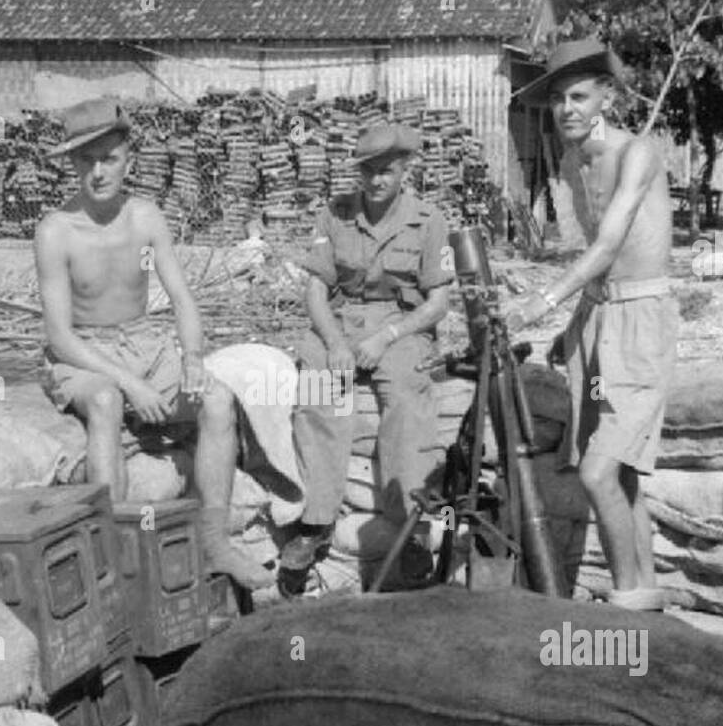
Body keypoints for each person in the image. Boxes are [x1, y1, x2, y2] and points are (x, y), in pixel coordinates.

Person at [35, 97, 271, 591]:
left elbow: (183, 297)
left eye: (109, 158)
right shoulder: (56, 231)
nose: (98, 172)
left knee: (219, 400)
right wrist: (131, 386)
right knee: (106, 400)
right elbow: (59, 334)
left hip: (147, 342)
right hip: (85, 351)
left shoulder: (145, 217)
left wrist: (190, 357)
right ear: (72, 165)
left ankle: (215, 543)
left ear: (129, 160)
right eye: (85, 160)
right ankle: (112, 556)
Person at [509, 39, 679, 611]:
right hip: (596, 319)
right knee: (618, 472)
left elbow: (610, 242)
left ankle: (627, 601)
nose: (568, 109)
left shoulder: (639, 152)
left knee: (599, 472)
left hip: (641, 318)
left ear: (607, 94)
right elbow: (594, 255)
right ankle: (648, 592)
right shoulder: (570, 162)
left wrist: (544, 301)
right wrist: (574, 324)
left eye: (579, 96)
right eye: (558, 99)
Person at [280, 121, 452, 590]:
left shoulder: (428, 220)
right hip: (345, 320)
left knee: (405, 396)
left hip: (402, 327)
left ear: (405, 170)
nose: (377, 181)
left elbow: (437, 303)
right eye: (369, 171)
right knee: (316, 388)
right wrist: (335, 342)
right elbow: (316, 290)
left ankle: (412, 527)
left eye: (387, 171)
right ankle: (317, 523)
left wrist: (389, 335)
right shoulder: (335, 214)